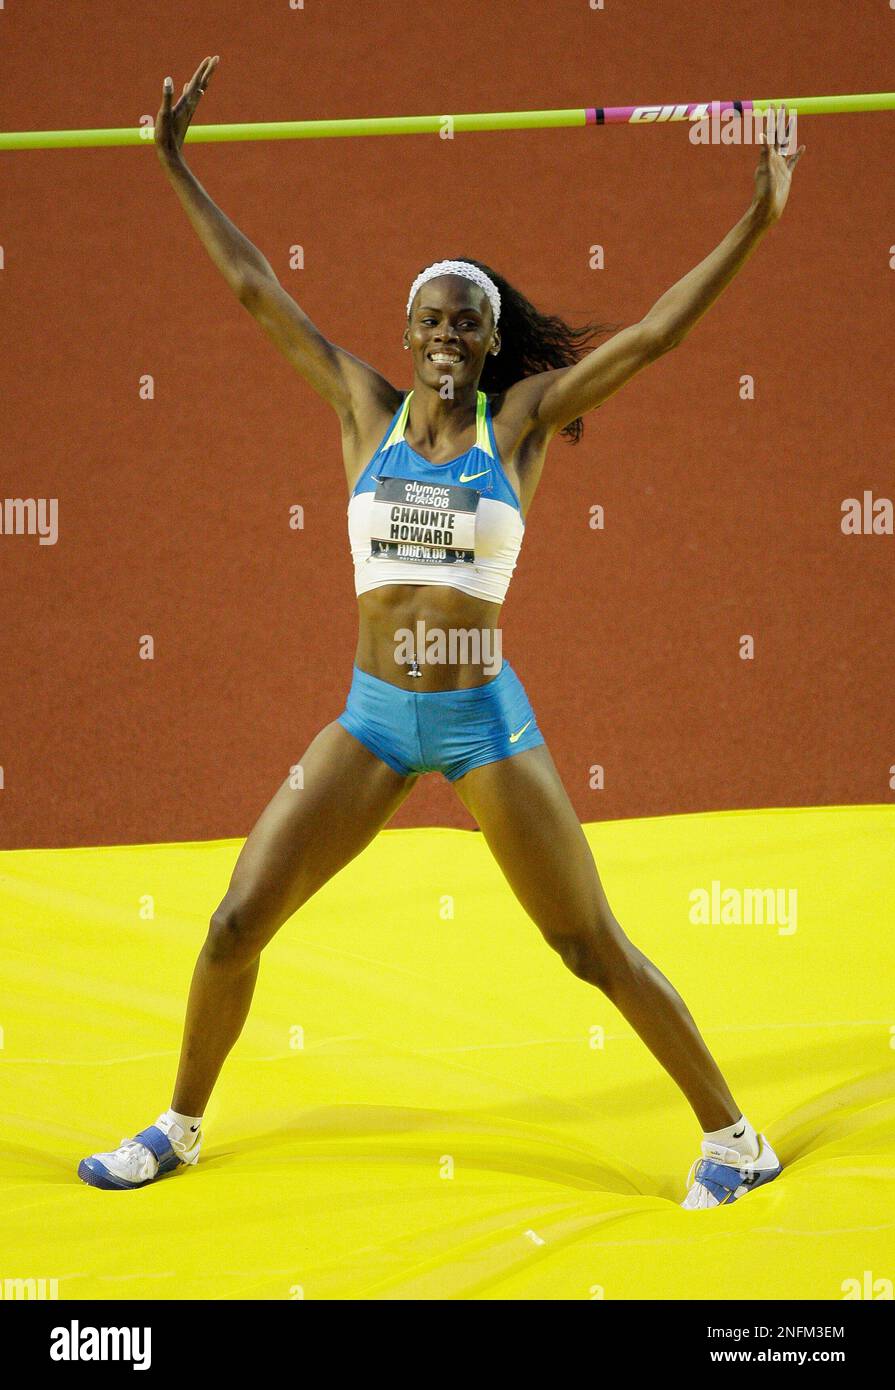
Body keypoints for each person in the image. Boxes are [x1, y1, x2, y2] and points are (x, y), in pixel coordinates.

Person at [79, 58, 805, 1208]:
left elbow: (657, 334)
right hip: (370, 723)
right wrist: (175, 166)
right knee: (232, 921)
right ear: (407, 330)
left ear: (490, 334)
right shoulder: (358, 406)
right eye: (431, 319)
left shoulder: (519, 423)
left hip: (480, 722)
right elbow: (255, 290)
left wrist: (756, 218)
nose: (448, 335)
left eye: (468, 321)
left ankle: (733, 1137)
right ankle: (178, 1124)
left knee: (588, 946)